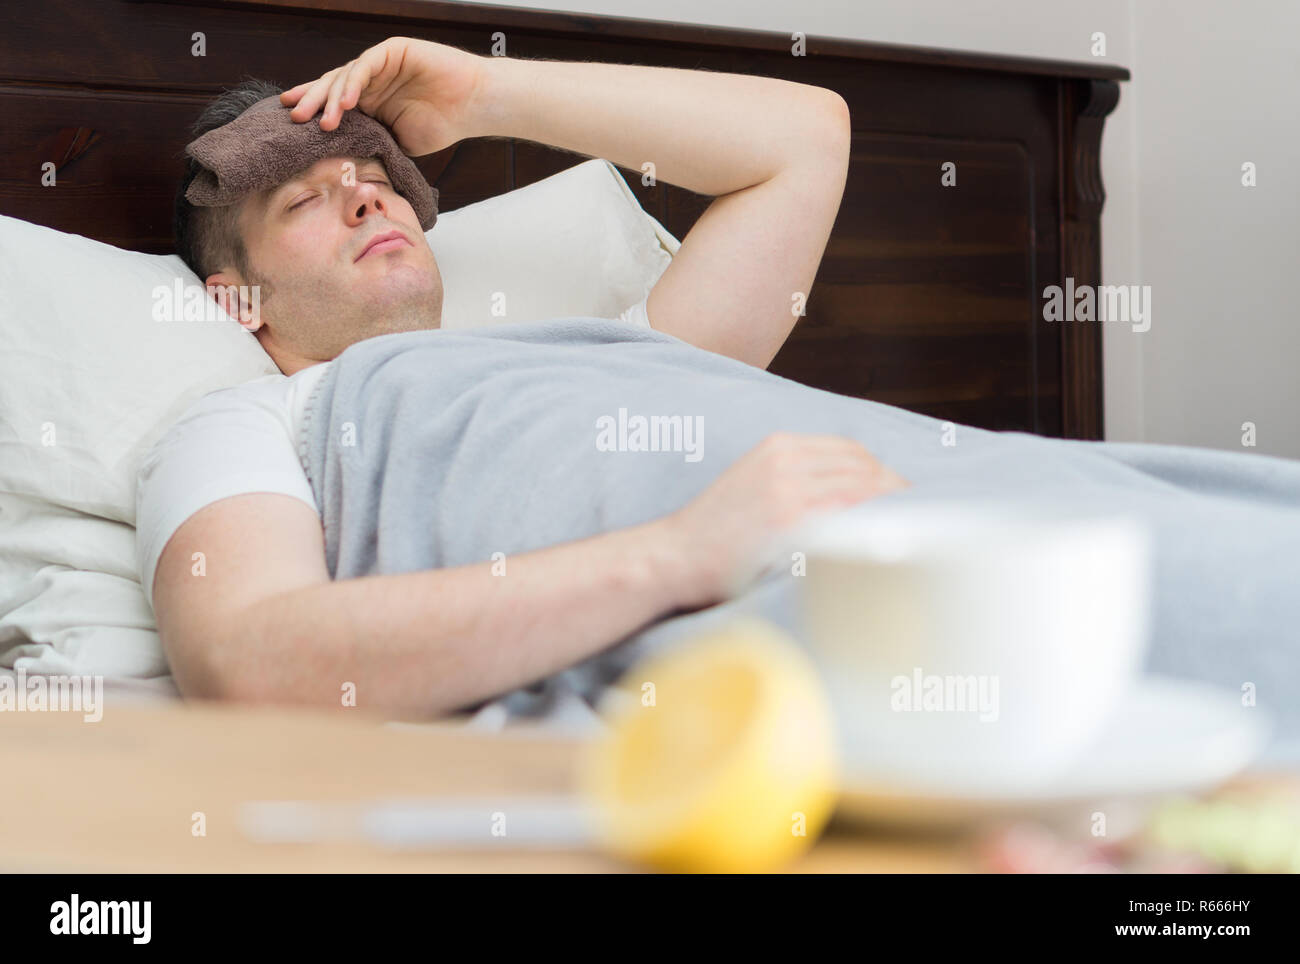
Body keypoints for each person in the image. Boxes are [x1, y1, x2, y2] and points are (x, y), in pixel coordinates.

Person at [141, 40, 1300, 754]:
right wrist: (685, 552)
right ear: (239, 301)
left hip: (991, 489)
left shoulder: (622, 351)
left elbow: (806, 138)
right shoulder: (247, 424)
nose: (367, 201)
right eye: (305, 203)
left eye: (375, 182)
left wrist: (485, 91)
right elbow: (252, 659)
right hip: (829, 577)